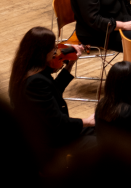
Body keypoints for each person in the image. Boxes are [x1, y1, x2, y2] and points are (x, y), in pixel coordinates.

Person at [9, 27, 95, 157]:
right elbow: (58, 123)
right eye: (53, 48)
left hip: (52, 131)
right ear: (42, 52)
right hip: (50, 142)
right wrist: (87, 121)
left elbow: (52, 91)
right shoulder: (34, 82)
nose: (57, 50)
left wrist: (70, 65)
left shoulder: (27, 69)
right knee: (104, 142)